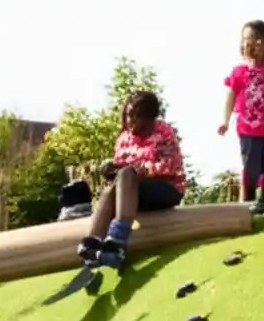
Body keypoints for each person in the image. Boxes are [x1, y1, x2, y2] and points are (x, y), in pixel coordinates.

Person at [77, 91, 186, 271]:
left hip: (167, 188)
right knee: (111, 187)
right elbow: (121, 168)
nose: (130, 120)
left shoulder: (163, 132)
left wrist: (139, 170)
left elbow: (170, 166)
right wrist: (111, 170)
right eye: (128, 115)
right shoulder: (123, 138)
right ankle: (93, 242)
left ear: (148, 118)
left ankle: (117, 240)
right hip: (131, 192)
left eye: (136, 116)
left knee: (127, 174)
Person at [219, 21, 264, 214]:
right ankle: (247, 201)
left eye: (257, 38)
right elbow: (230, 95)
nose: (253, 43)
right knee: (251, 166)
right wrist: (224, 120)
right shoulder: (239, 72)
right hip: (248, 128)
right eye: (247, 38)